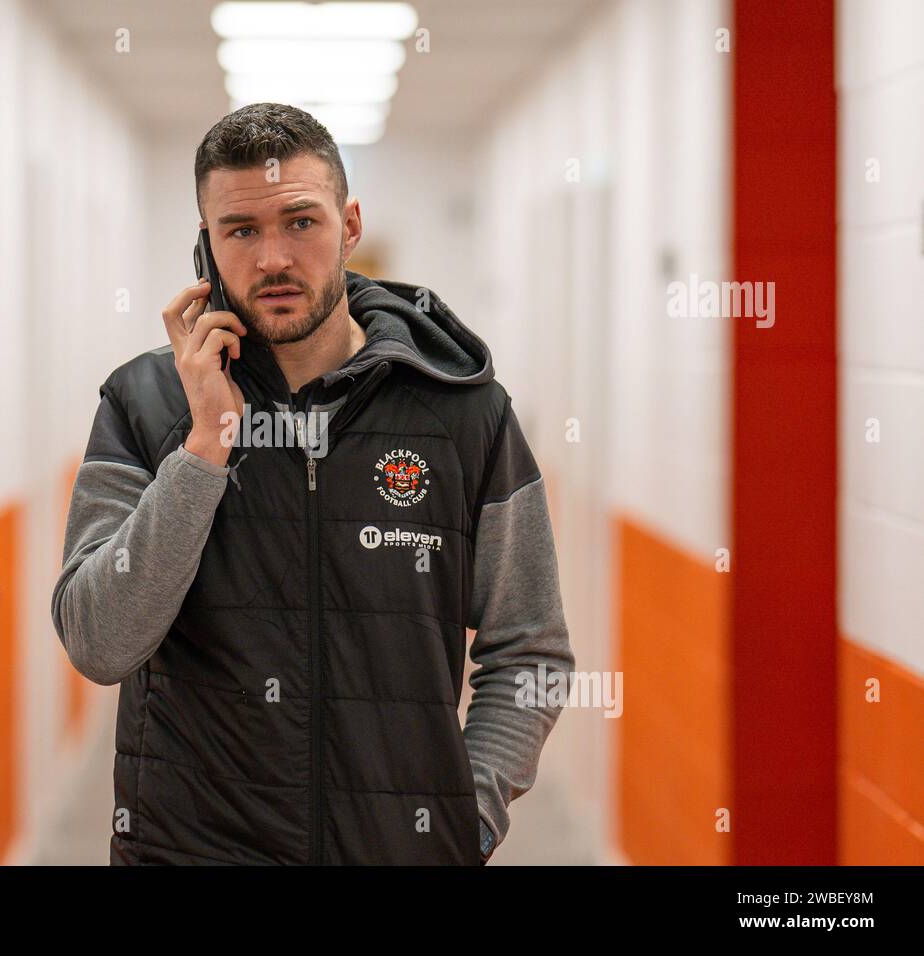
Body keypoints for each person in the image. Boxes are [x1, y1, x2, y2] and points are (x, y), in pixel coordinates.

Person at [51, 102, 574, 865]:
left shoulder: (463, 413)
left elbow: (531, 651)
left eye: (300, 222)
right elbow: (99, 643)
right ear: (205, 249)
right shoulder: (143, 406)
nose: (273, 259)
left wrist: (469, 814)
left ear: (349, 225)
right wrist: (203, 450)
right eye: (241, 231)